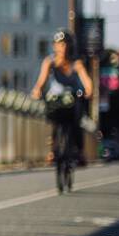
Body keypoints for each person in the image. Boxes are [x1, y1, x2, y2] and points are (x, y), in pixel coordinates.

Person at [31, 30, 93, 166]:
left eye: (65, 44)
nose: (63, 48)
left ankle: (80, 152)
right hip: (57, 100)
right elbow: (41, 81)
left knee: (77, 121)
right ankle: (53, 150)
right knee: (54, 121)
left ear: (70, 46)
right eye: (60, 44)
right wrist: (37, 90)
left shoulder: (76, 64)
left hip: (72, 99)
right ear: (54, 46)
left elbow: (86, 81)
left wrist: (89, 90)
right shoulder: (50, 62)